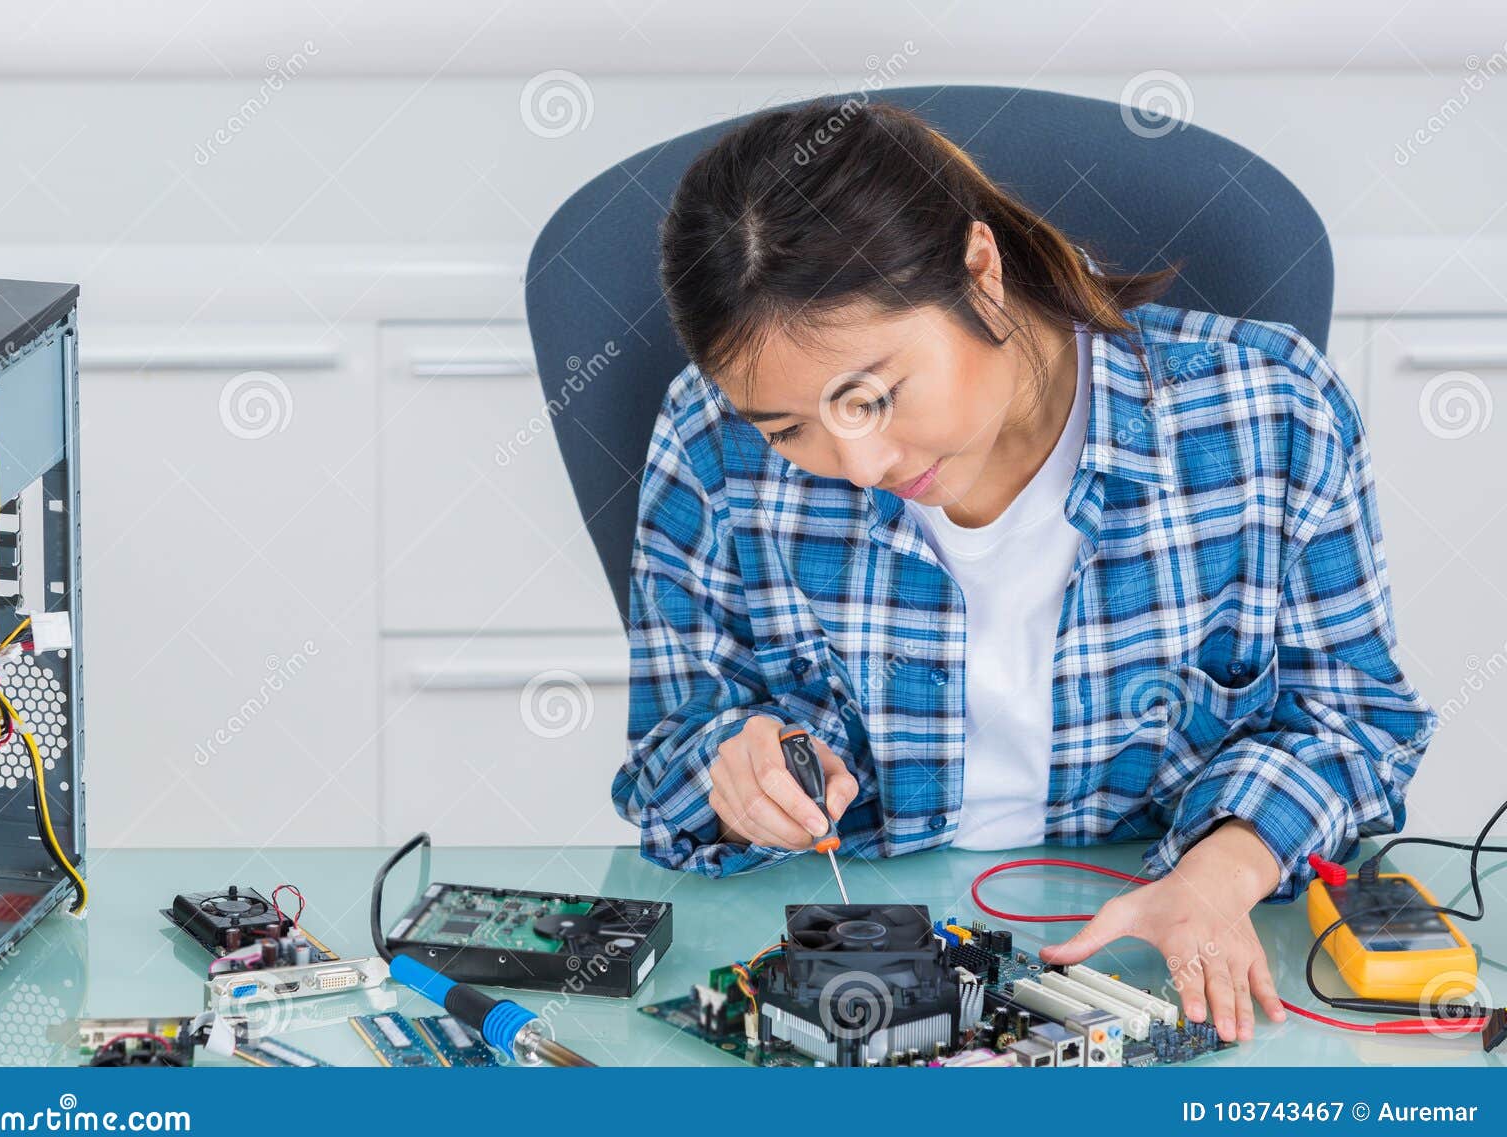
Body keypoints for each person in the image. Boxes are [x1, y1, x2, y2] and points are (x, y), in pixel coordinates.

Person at [612, 99, 1436, 1043]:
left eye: (874, 396)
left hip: (1151, 963)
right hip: (834, 987)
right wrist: (733, 764)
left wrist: (1224, 869)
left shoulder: (1271, 416)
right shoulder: (710, 442)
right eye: (792, 429)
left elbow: (1355, 725)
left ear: (979, 271)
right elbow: (664, 762)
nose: (863, 466)